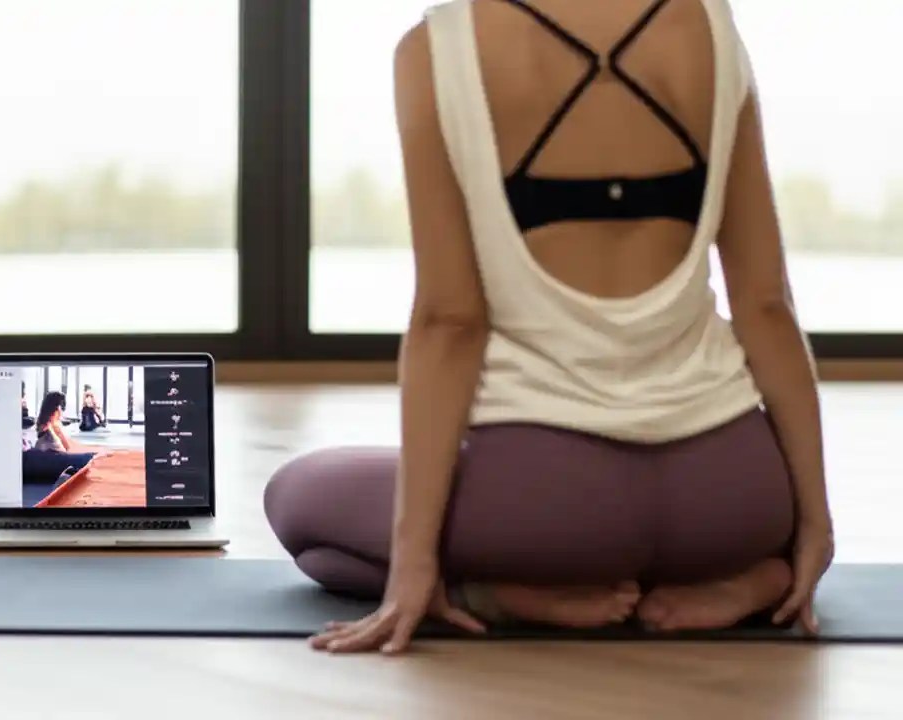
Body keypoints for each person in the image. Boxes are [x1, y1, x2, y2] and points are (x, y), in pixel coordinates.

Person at [264, 0, 833, 655]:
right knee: (343, 547)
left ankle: (491, 594)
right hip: (730, 496)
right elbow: (766, 305)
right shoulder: (708, 24)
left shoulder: (436, 49)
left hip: (549, 508)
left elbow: (450, 322)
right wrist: (812, 521)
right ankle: (757, 581)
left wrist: (415, 562)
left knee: (299, 500)